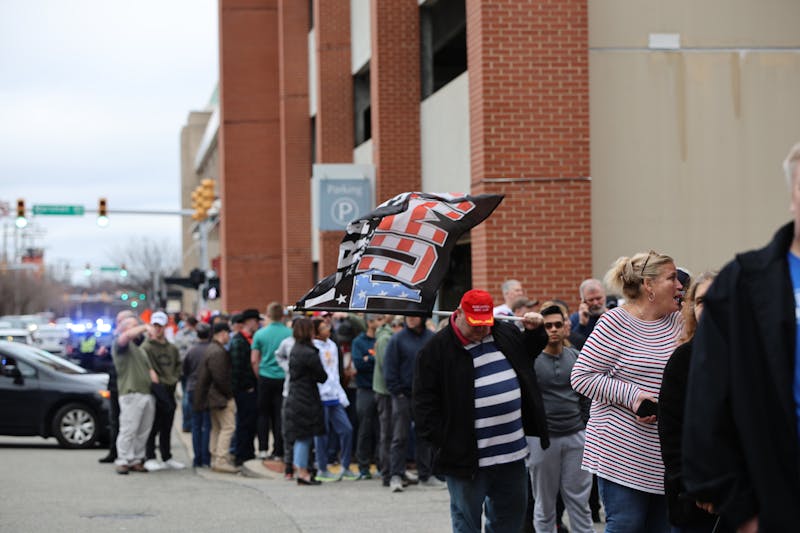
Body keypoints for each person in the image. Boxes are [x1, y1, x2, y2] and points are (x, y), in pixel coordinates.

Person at [683, 142, 800, 533]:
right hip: (778, 495)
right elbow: (708, 399)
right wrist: (743, 513)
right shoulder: (745, 284)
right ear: (792, 197)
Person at [414, 289, 550, 533]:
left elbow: (526, 356)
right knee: (466, 521)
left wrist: (536, 331)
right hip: (467, 459)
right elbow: (424, 407)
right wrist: (446, 443)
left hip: (511, 454)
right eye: (475, 325)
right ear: (459, 315)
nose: (481, 330)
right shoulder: (436, 350)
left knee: (510, 519)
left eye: (485, 324)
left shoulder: (502, 331)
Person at [570, 251, 684, 533]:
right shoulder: (614, 323)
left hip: (664, 453)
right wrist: (633, 397)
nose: (680, 285)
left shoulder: (679, 322)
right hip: (621, 451)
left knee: (661, 528)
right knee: (627, 525)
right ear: (649, 285)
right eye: (672, 278)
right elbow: (581, 377)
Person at [658, 272, 725, 532]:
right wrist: (700, 489)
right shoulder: (682, 361)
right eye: (700, 302)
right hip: (695, 501)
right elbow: (672, 437)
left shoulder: (754, 356)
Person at [527, 303, 593, 533]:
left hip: (576, 436)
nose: (553, 329)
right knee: (544, 506)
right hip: (542, 441)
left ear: (566, 325)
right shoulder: (531, 360)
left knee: (580, 504)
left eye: (558, 324)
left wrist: (585, 428)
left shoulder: (576, 357)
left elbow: (586, 397)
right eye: (548, 326)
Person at [384, 315, 440, 492]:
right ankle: (396, 475)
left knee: (425, 436)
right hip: (403, 395)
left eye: (415, 315)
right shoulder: (397, 339)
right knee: (400, 436)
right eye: (407, 316)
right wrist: (397, 392)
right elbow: (390, 367)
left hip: (425, 396)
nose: (410, 319)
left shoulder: (431, 338)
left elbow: (437, 365)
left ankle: (425, 474)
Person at [283, 318, 328, 486]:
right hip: (306, 398)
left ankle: (300, 470)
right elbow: (322, 376)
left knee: (301, 436)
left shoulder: (295, 349)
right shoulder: (309, 353)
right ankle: (302, 472)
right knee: (304, 437)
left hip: (296, 396)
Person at [312, 317, 356, 481]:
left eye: (327, 327)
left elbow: (335, 372)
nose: (327, 330)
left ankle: (345, 466)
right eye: (323, 328)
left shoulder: (332, 345)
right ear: (316, 332)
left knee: (347, 430)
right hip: (320, 396)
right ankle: (321, 467)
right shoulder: (313, 347)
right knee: (321, 434)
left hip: (334, 395)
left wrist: (339, 392)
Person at [112, 316, 158, 475]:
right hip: (131, 393)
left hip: (145, 392)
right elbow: (125, 337)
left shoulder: (139, 349)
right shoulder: (121, 345)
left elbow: (150, 370)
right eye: (134, 326)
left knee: (143, 430)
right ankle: (123, 459)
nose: (137, 328)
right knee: (129, 428)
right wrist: (145, 327)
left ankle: (137, 459)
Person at [141, 311, 185, 471]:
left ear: (165, 327)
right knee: (152, 425)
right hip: (155, 390)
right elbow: (148, 368)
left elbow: (178, 366)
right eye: (155, 326)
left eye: (160, 326)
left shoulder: (172, 348)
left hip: (169, 388)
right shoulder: (146, 347)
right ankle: (150, 456)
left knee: (167, 425)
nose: (157, 329)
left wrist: (173, 379)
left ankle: (167, 456)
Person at [194, 321, 238, 473]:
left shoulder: (211, 348)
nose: (229, 337)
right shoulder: (218, 352)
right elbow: (220, 377)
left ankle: (215, 457)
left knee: (216, 428)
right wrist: (229, 395)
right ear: (223, 333)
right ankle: (221, 459)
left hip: (211, 396)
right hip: (219, 397)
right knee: (228, 427)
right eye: (228, 333)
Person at [251, 302, 291, 461]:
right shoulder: (290, 332)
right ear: (282, 316)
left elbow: (254, 360)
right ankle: (279, 450)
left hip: (265, 377)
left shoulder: (260, 334)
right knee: (279, 414)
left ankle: (262, 448)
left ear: (268, 315)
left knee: (263, 414)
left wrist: (259, 375)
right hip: (283, 377)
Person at [97, 309, 135, 464]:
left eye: (121, 322)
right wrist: (104, 354)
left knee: (130, 422)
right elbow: (102, 363)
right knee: (115, 421)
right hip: (115, 385)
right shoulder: (113, 340)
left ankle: (131, 455)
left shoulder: (135, 340)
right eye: (118, 322)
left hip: (130, 386)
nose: (118, 325)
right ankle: (114, 451)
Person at [352, 313, 384, 479]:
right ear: (369, 322)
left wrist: (369, 359)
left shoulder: (384, 339)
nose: (380, 322)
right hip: (365, 389)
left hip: (380, 389)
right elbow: (358, 364)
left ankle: (381, 465)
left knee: (381, 430)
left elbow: (385, 361)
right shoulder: (359, 342)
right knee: (364, 429)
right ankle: (363, 467)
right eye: (377, 319)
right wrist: (374, 357)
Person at [230, 308, 260, 466]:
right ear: (249, 322)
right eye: (256, 321)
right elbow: (236, 368)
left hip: (251, 389)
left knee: (250, 423)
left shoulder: (250, 339)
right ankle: (241, 455)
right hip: (244, 390)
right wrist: (243, 387)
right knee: (243, 423)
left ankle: (247, 453)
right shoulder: (238, 341)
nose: (258, 324)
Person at [373, 315, 401, 485]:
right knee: (387, 433)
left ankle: (395, 470)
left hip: (388, 391)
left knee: (393, 432)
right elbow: (387, 366)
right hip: (385, 392)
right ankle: (387, 472)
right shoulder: (385, 339)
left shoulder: (387, 337)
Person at [183, 322, 212, 468]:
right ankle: (206, 458)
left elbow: (185, 370)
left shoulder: (191, 350)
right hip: (208, 389)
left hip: (193, 388)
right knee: (207, 425)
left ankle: (197, 458)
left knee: (196, 424)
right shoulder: (212, 350)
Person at [174, 315, 199, 432]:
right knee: (189, 397)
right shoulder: (195, 336)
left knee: (185, 395)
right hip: (193, 370)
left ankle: (185, 423)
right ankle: (191, 423)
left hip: (181, 369)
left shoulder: (178, 335)